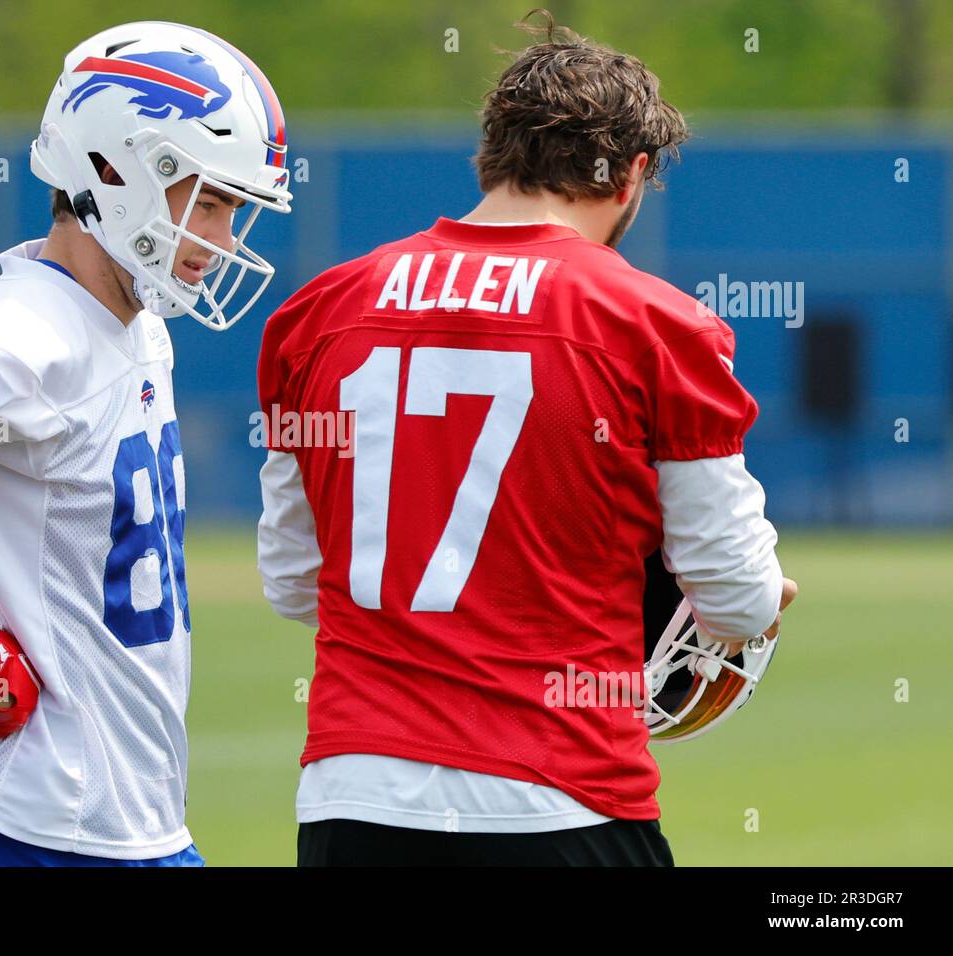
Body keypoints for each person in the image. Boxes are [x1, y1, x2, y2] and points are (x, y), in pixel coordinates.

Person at [255, 12, 797, 866]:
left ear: (492, 155)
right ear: (632, 175)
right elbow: (735, 598)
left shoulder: (316, 312)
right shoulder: (654, 322)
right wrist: (753, 595)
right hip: (560, 797)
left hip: (350, 801)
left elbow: (294, 583)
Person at [0, 20, 291, 866]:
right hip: (21, 818)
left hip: (114, 815)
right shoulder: (33, 328)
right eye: (210, 201)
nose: (221, 243)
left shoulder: (130, 326)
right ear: (113, 170)